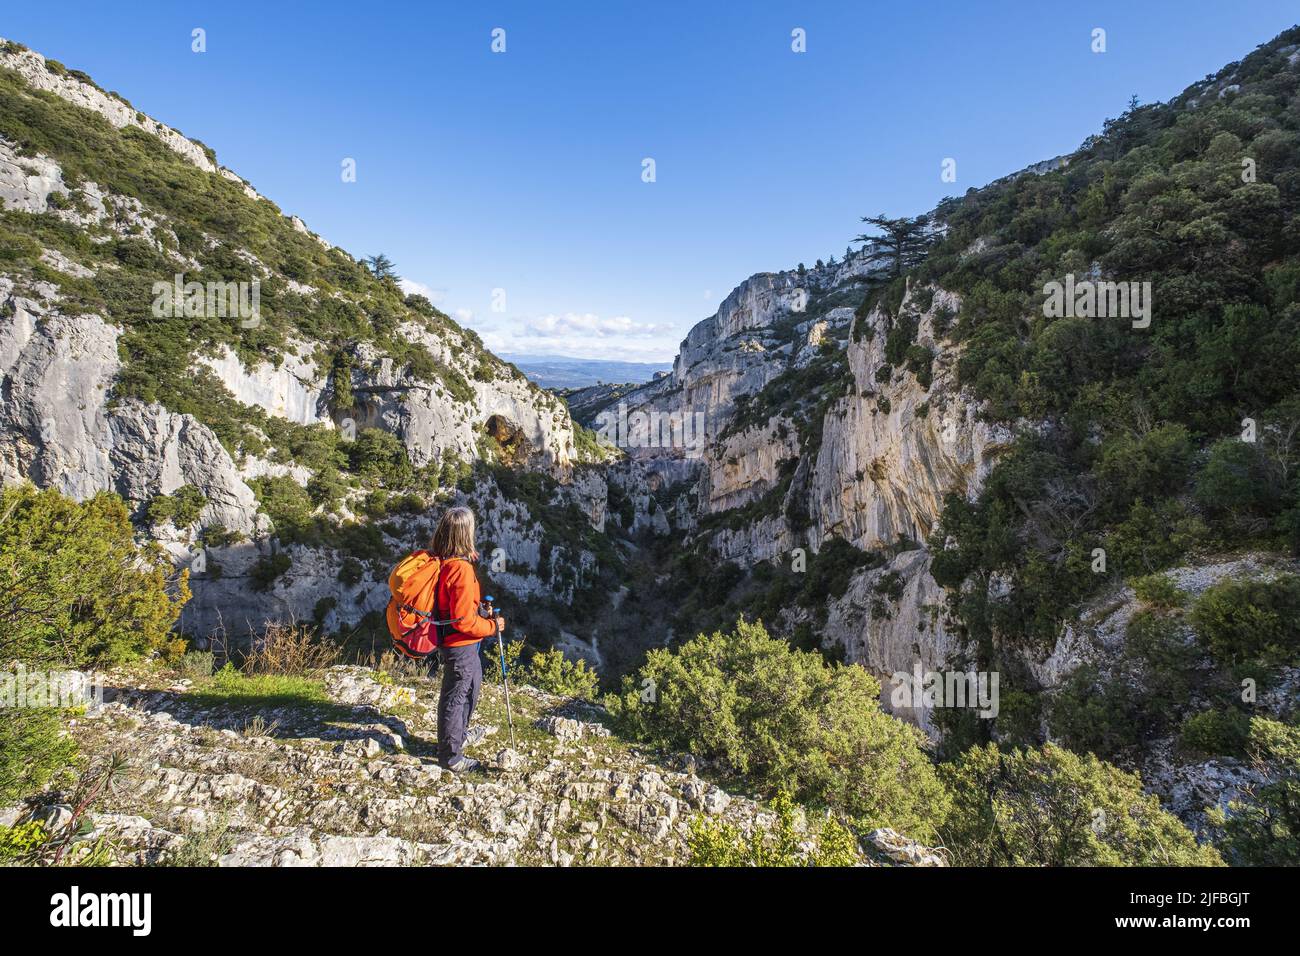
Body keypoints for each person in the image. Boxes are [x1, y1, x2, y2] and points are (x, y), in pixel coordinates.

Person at [428, 506, 503, 772]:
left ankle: (457, 737)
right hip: (460, 645)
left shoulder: (446, 562)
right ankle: (451, 757)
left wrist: (480, 609)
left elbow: (459, 608)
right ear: (464, 533)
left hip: (463, 644)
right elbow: (463, 621)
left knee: (471, 687)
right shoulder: (459, 569)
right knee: (456, 695)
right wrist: (491, 626)